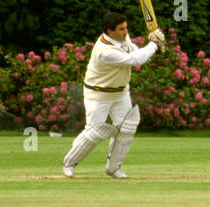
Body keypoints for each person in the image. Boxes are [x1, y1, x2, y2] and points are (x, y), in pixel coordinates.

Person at [62, 11, 165, 179]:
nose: (126, 32)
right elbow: (134, 60)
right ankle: (69, 162)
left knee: (127, 129)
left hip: (120, 93)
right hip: (98, 95)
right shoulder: (104, 51)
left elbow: (135, 51)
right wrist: (153, 44)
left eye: (126, 28)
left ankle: (113, 168)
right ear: (110, 31)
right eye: (121, 29)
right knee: (94, 132)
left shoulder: (122, 38)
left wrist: (152, 46)